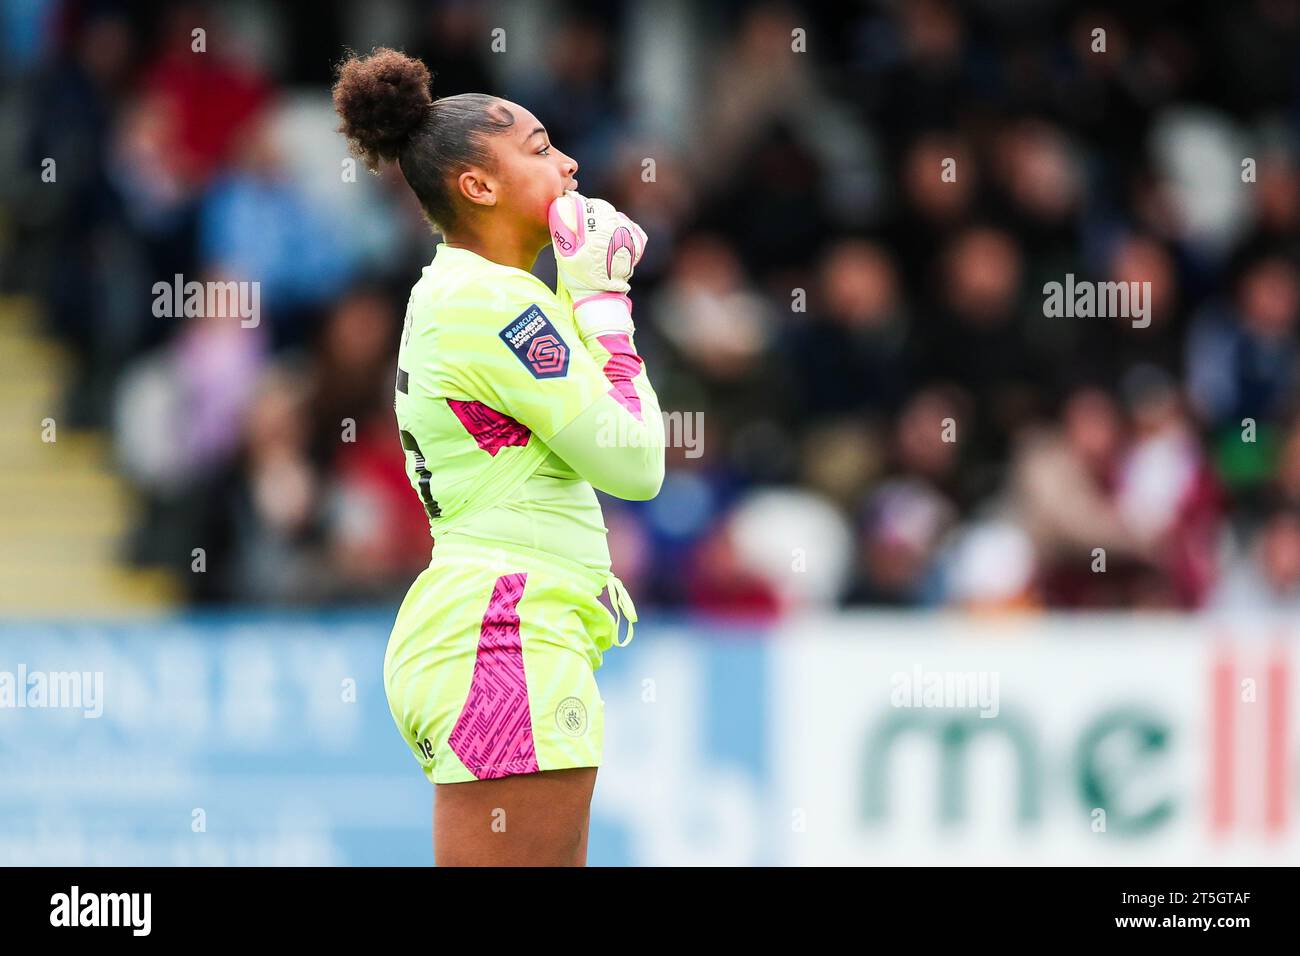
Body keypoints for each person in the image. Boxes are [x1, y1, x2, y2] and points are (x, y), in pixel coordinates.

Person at [332, 48, 665, 866]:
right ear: (478, 186)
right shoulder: (492, 304)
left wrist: (580, 297)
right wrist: (602, 301)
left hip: (502, 628)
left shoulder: (482, 294)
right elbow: (635, 463)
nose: (570, 164)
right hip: (504, 633)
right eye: (542, 147)